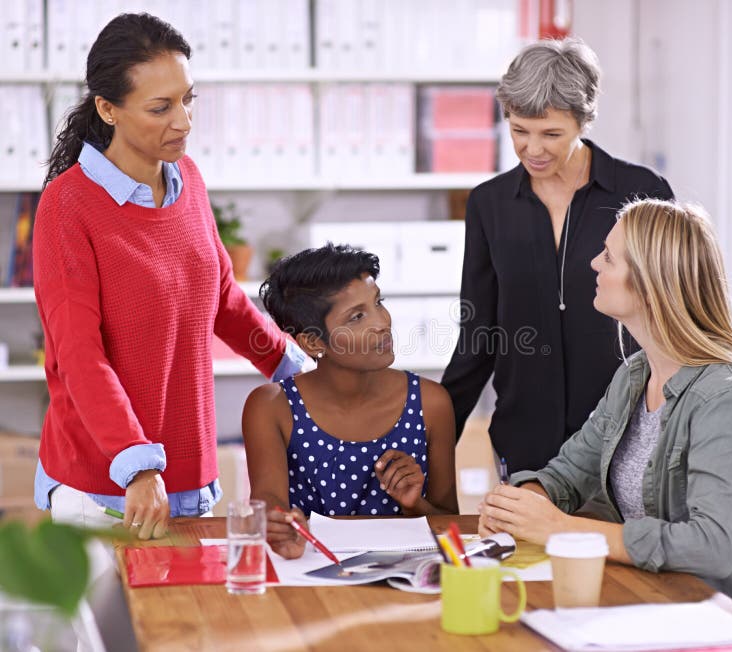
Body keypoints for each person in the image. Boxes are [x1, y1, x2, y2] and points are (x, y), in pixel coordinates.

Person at [33, 13, 306, 541]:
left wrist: (294, 370)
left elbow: (222, 298)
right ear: (107, 109)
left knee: (193, 622)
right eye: (160, 107)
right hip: (106, 488)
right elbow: (78, 355)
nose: (182, 121)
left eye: (188, 99)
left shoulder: (189, 181)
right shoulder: (67, 207)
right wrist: (136, 464)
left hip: (187, 476)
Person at [478, 199, 732, 634]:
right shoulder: (634, 376)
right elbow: (571, 472)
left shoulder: (728, 401)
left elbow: (714, 546)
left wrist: (563, 529)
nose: (594, 263)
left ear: (650, 285)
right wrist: (525, 504)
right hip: (657, 604)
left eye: (608, 256)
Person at [441, 38, 673, 476]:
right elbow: (478, 335)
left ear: (583, 122)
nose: (533, 149)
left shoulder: (642, 193)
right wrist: (434, 441)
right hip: (524, 439)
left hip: (624, 436)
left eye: (551, 134)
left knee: (617, 547)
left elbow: (673, 315)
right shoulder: (488, 205)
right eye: (518, 131)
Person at [242, 244, 458, 559]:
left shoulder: (431, 403)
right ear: (314, 342)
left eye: (378, 302)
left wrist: (415, 503)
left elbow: (452, 521)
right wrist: (280, 525)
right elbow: (269, 506)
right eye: (357, 316)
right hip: (309, 581)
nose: (382, 322)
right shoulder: (271, 407)